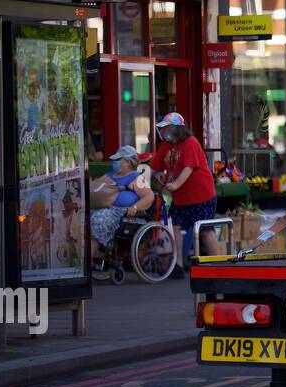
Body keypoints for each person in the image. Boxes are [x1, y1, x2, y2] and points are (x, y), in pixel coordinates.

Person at [155, 112, 218, 270]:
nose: (163, 132)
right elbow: (154, 167)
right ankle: (178, 263)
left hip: (201, 195)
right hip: (180, 197)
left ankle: (218, 265)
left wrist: (175, 185)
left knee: (205, 230)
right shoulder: (166, 146)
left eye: (166, 128)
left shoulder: (190, 142)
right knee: (176, 227)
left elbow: (188, 168)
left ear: (176, 129)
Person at [88, 145, 154, 259]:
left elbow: (149, 196)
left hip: (119, 212)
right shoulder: (109, 175)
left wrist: (135, 207)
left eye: (118, 159)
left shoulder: (136, 178)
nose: (115, 162)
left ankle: (90, 259)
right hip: (98, 208)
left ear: (128, 162)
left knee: (98, 219)